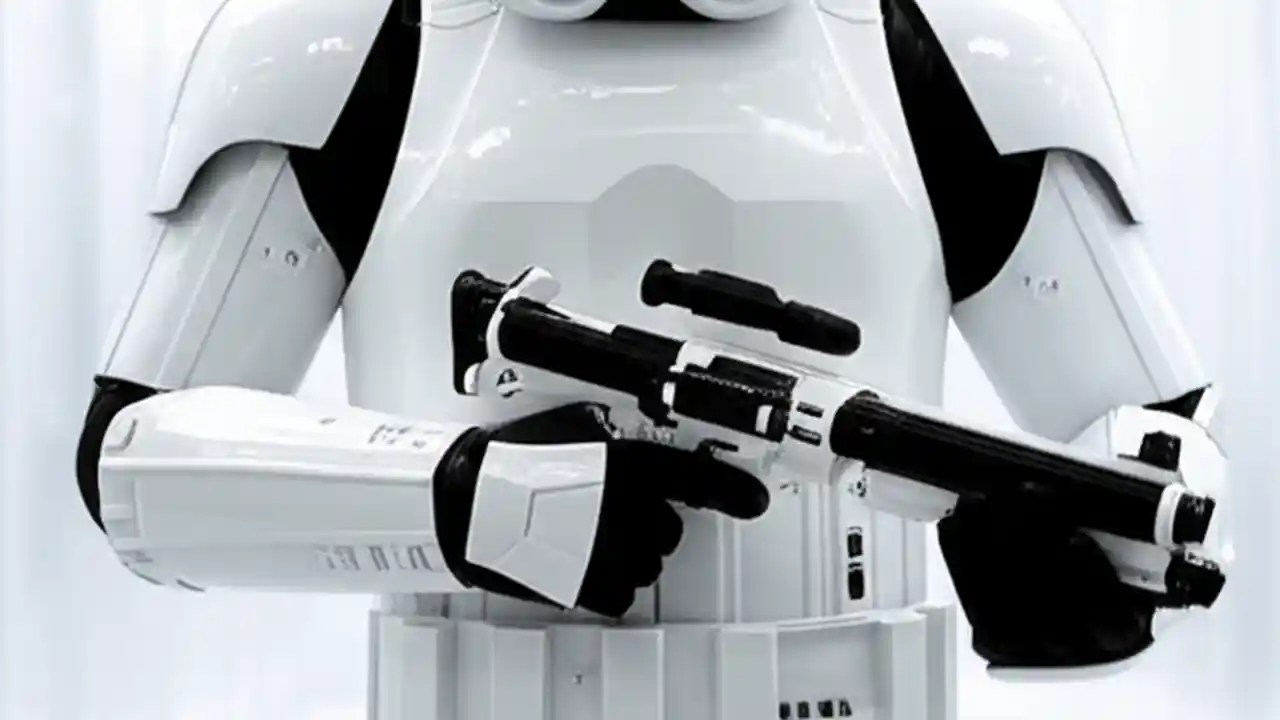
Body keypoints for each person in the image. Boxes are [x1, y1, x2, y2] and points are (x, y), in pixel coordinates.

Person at [77, 1, 1229, 717]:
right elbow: (133, 470)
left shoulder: (963, 55)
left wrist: (1094, 571)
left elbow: (1164, 448)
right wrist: (457, 499)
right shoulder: (335, 51)